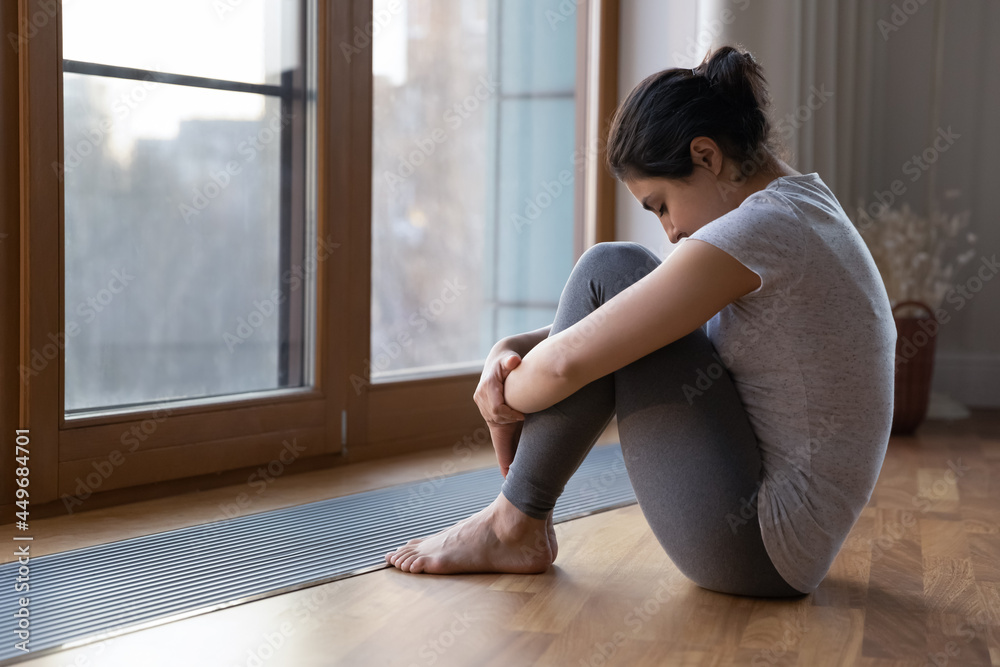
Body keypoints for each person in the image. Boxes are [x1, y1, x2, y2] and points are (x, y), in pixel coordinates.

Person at [384, 44, 896, 598]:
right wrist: (505, 351)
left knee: (612, 266)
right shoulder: (801, 205)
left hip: (757, 546)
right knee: (614, 274)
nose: (670, 232)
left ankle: (514, 523)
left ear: (706, 157)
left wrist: (503, 399)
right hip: (780, 542)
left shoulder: (761, 230)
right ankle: (517, 520)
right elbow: (614, 327)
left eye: (660, 204)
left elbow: (567, 365)